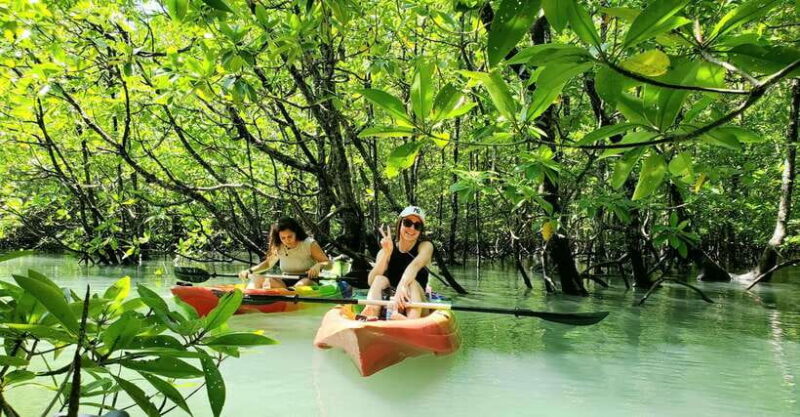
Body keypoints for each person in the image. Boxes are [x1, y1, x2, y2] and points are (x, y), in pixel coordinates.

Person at [360, 206, 433, 320]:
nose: (412, 229)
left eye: (417, 226)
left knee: (411, 282)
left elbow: (415, 266)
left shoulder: (425, 246)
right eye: (407, 223)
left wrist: (402, 286)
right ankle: (372, 311)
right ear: (400, 224)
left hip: (417, 301)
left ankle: (411, 320)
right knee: (380, 279)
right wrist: (386, 253)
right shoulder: (386, 249)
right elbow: (371, 280)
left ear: (420, 231)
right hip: (392, 300)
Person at [238, 217, 331, 289]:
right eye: (283, 238)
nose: (287, 240)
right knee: (261, 280)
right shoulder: (279, 245)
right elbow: (268, 264)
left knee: (299, 286)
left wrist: (319, 265)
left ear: (296, 233)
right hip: (286, 279)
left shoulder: (309, 243)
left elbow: (328, 264)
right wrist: (250, 271)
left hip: (308, 279)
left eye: (290, 236)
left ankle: (289, 296)